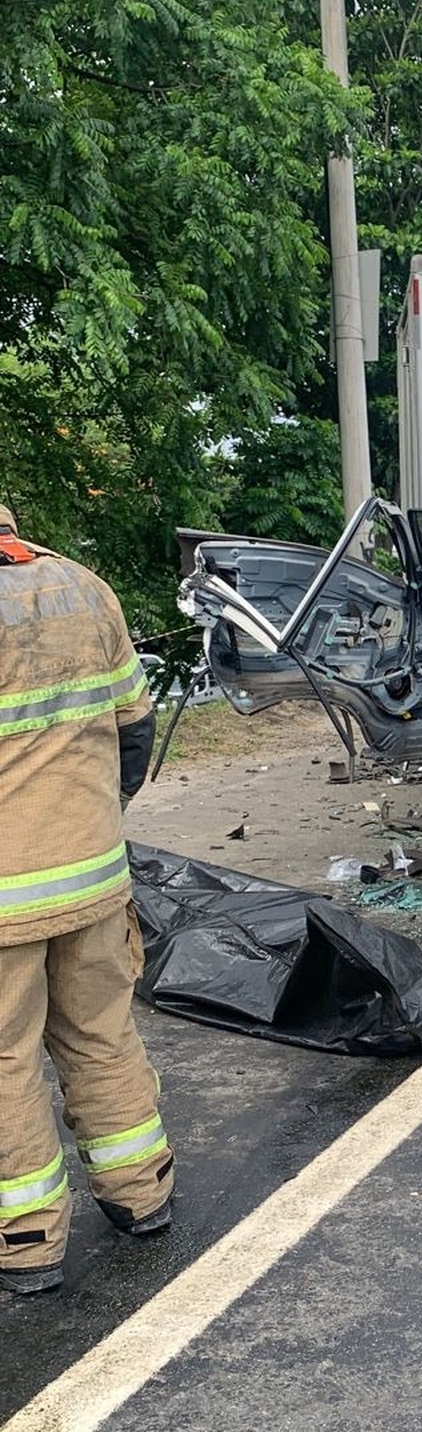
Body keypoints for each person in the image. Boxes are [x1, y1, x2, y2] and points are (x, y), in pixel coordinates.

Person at [0, 503, 173, 1295]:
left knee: (6, 1064)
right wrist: (97, 819)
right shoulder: (80, 587)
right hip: (95, 879)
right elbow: (134, 728)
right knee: (101, 1033)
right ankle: (144, 1196)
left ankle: (28, 1239)